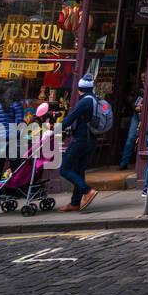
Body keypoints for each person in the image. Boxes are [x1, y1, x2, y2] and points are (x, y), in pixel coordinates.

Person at [57, 73, 101, 211]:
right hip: (91, 140)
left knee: (65, 169)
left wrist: (54, 130)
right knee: (78, 170)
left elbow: (70, 118)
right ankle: (75, 202)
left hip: (81, 140)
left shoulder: (84, 101)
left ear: (79, 88)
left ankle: (87, 191)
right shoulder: (95, 99)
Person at [0, 87, 26, 186]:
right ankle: (12, 190)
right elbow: (19, 124)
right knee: (15, 167)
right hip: (12, 139)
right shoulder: (16, 105)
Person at [118, 89, 142, 171]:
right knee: (131, 138)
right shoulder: (139, 88)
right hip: (137, 115)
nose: (144, 76)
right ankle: (124, 162)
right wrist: (135, 107)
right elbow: (133, 101)